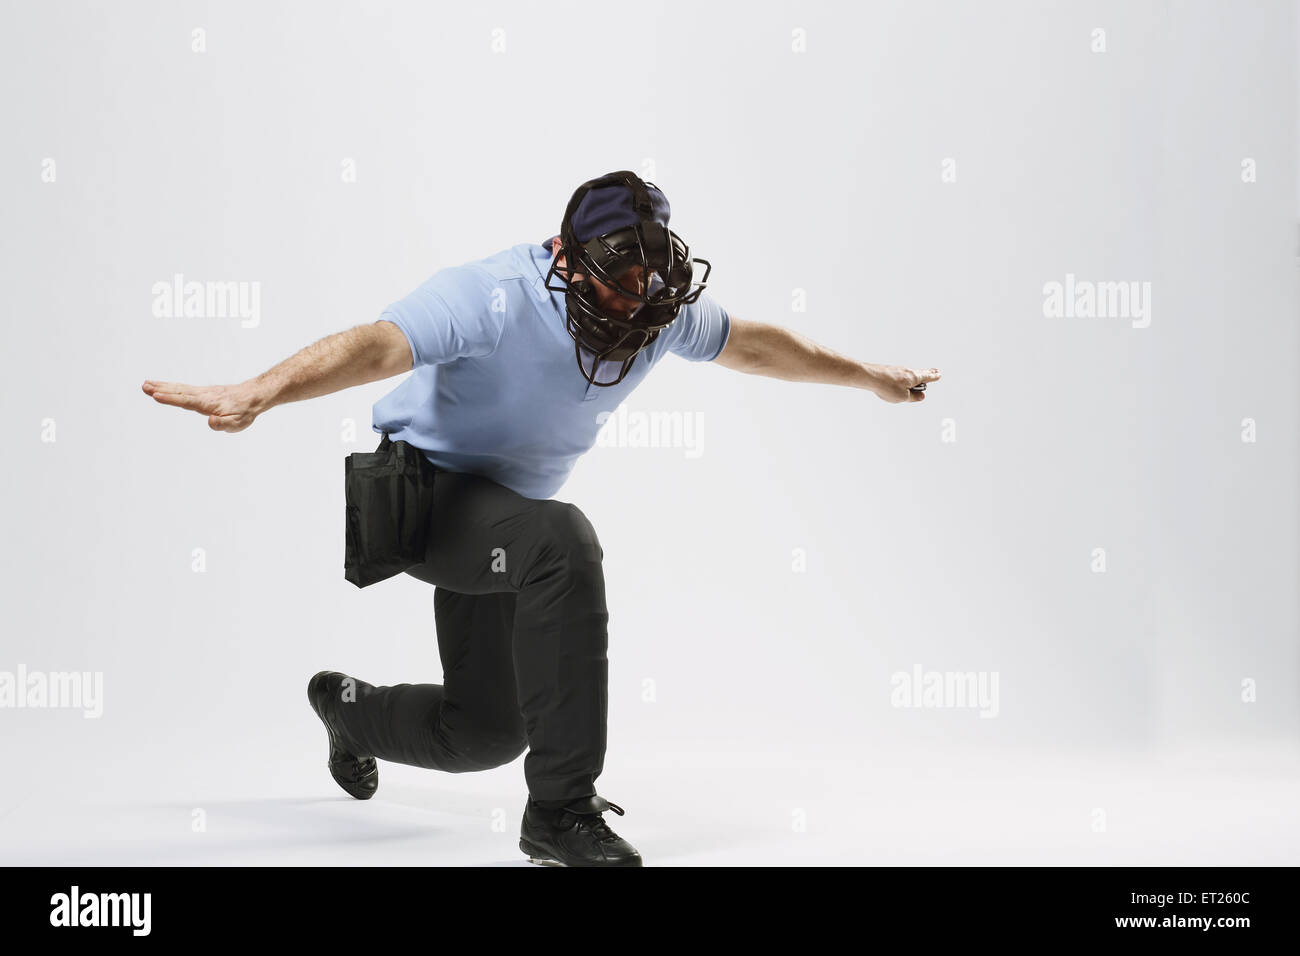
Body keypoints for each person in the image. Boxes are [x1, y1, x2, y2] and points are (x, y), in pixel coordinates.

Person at [141, 170, 941, 867]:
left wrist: (866, 375)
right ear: (565, 258)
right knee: (564, 541)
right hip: (423, 497)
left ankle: (346, 709)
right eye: (616, 282)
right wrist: (261, 390)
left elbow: (755, 345)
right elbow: (379, 346)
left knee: (481, 734)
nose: (635, 304)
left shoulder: (656, 316)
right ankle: (561, 811)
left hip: (501, 527)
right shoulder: (492, 296)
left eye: (650, 284)